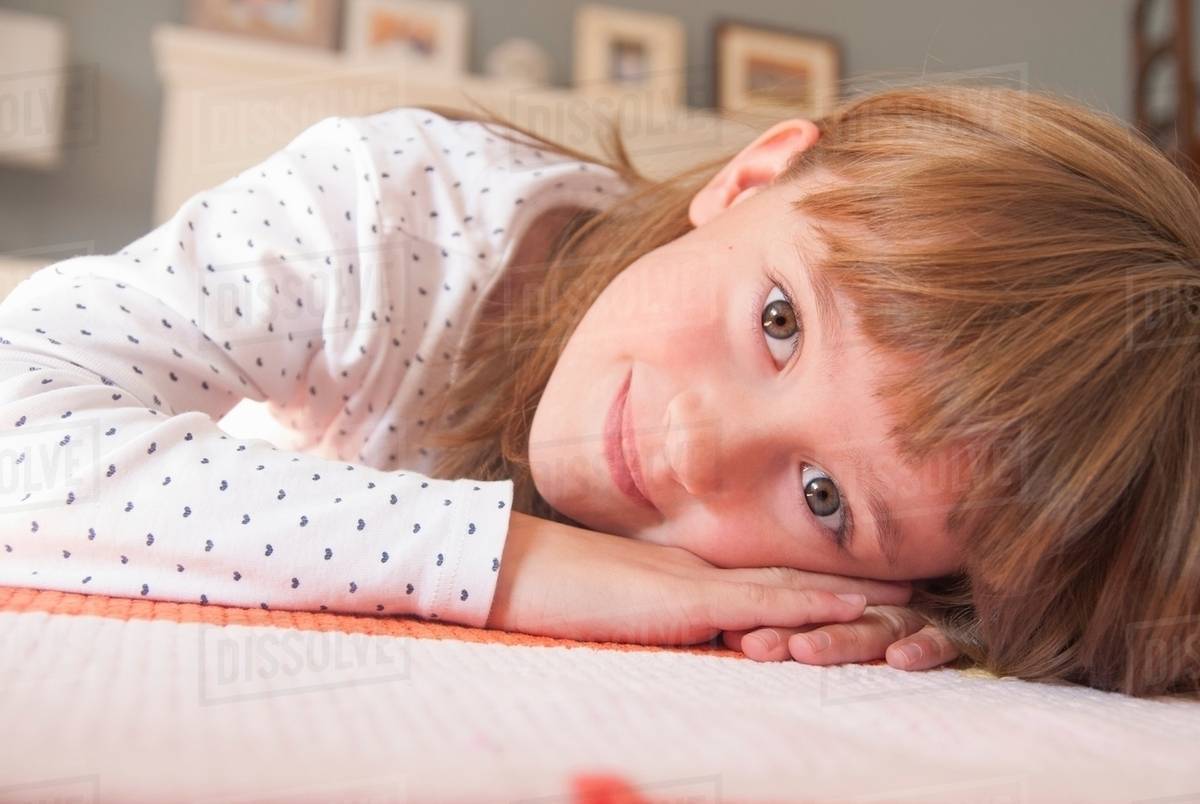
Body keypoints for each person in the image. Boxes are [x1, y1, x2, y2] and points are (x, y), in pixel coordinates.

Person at [3, 83, 1197, 697]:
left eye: (825, 496)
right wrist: (518, 564)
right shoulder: (393, 207)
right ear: (755, 176)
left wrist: (948, 631)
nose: (696, 443)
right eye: (778, 322)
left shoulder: (865, 593)